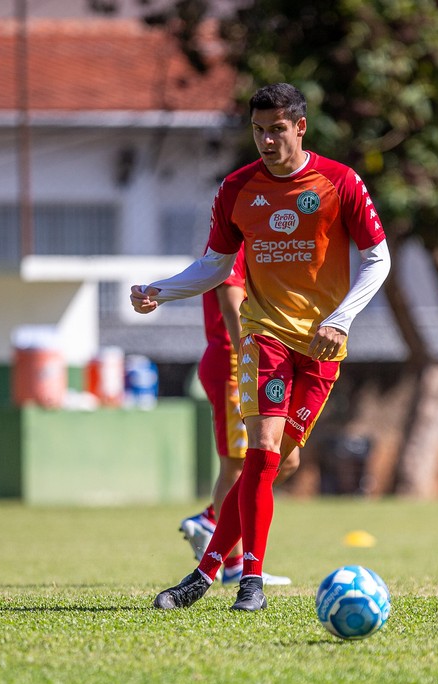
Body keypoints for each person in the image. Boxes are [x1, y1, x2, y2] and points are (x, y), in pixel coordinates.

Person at [131, 82, 390, 612]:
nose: (267, 141)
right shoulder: (235, 189)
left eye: (276, 130)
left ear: (300, 128)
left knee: (284, 463)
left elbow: (378, 257)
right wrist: (160, 290)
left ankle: (203, 571)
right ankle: (247, 581)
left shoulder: (339, 182)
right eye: (258, 130)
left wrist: (340, 320)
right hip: (264, 333)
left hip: (321, 345)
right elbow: (214, 265)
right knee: (263, 450)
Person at [178, 249, 299, 586]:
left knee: (285, 459)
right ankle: (231, 565)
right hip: (235, 365)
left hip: (258, 361)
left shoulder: (265, 240)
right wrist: (248, 360)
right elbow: (232, 304)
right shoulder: (237, 244)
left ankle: (212, 518)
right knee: (236, 463)